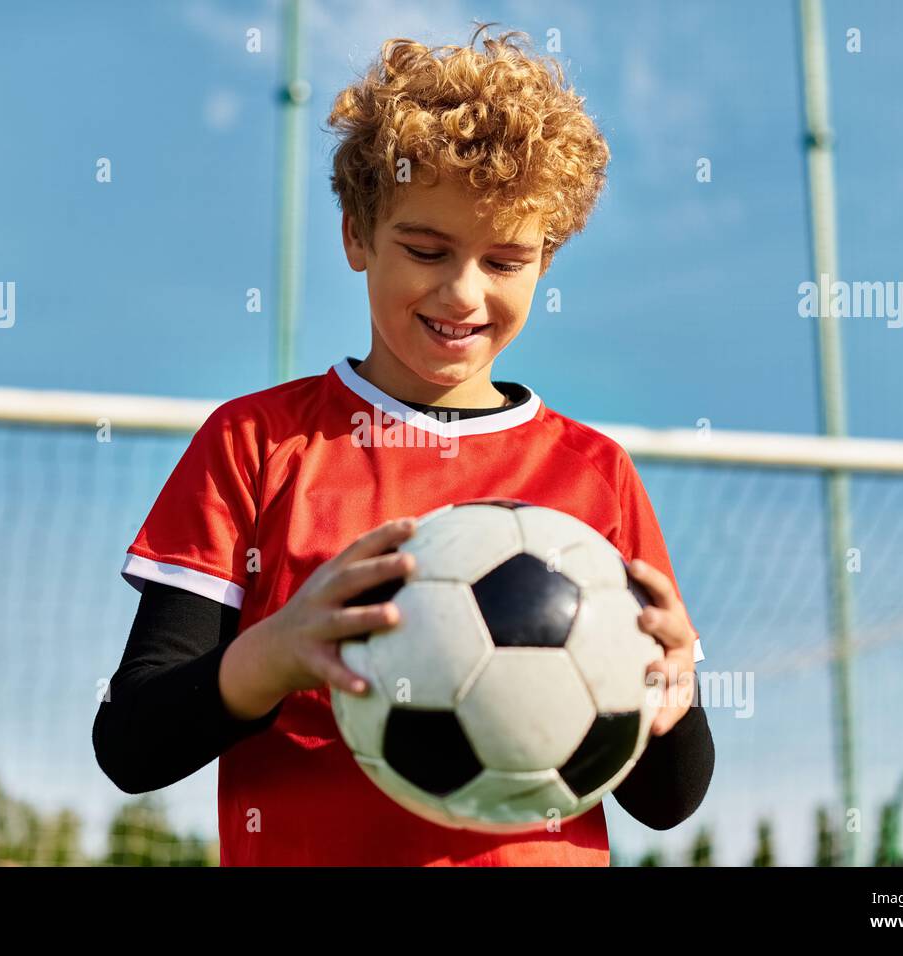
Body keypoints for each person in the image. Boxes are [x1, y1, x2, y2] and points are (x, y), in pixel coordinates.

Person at [94, 25, 713, 866]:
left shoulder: (594, 476)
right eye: (426, 249)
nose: (462, 291)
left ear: (546, 262)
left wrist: (671, 691)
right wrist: (274, 655)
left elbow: (669, 800)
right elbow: (131, 744)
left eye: (505, 260)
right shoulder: (256, 443)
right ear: (357, 235)